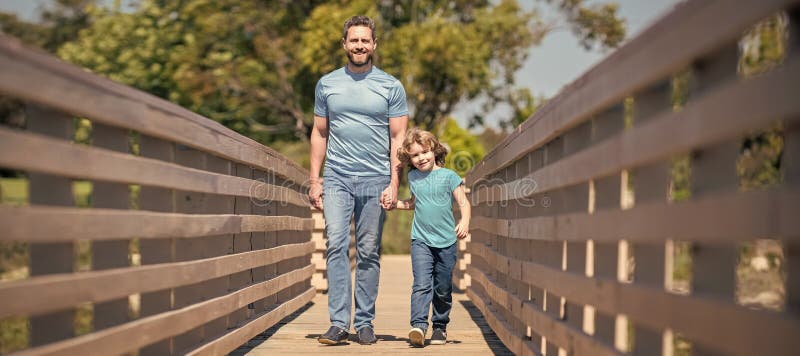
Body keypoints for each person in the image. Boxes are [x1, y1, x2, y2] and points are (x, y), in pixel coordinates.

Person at [309, 15, 409, 345]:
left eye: (365, 40)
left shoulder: (391, 86)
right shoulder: (327, 84)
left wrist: (394, 183)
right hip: (337, 176)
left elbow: (398, 138)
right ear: (344, 44)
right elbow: (319, 132)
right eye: (354, 40)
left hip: (375, 178)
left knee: (368, 251)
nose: (360, 45)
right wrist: (315, 179)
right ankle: (339, 323)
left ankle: (365, 322)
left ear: (374, 44)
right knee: (336, 244)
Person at [393, 128, 471, 347]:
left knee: (443, 288)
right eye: (415, 155)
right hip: (421, 239)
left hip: (446, 241)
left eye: (424, 152)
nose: (421, 158)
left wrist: (465, 221)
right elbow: (414, 203)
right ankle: (418, 326)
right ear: (409, 158)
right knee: (421, 283)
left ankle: (439, 326)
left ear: (434, 150)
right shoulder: (413, 177)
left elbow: (464, 203)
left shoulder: (449, 176)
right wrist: (395, 204)